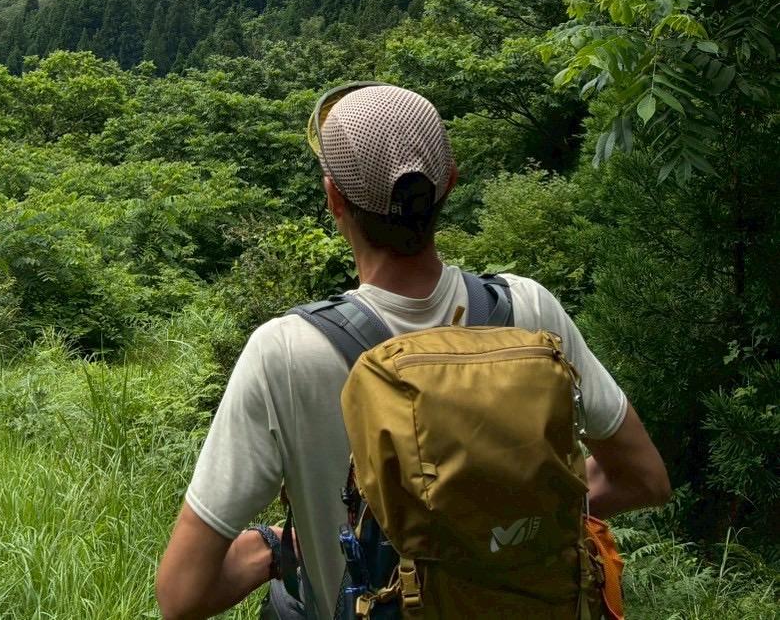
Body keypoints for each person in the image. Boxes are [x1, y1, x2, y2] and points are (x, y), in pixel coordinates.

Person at [156, 82, 671, 620]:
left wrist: (277, 547)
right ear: (449, 182)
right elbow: (642, 478)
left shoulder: (285, 352)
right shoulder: (531, 312)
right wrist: (498, 525)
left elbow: (181, 595)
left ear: (333, 198)